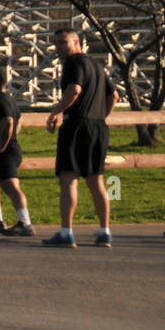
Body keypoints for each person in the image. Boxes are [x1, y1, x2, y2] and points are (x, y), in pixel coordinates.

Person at [43, 30, 118, 248]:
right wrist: (101, 116)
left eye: (63, 42)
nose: (59, 47)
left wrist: (55, 111)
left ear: (76, 42)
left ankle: (66, 233)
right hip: (97, 127)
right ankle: (105, 232)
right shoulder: (96, 65)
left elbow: (73, 90)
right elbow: (113, 95)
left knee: (68, 179)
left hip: (76, 125)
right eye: (56, 43)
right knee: (96, 181)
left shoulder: (73, 63)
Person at [0, 66, 34, 236]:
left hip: (5, 154)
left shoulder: (1, 100)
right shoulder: (6, 99)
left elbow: (8, 121)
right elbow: (20, 119)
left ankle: (25, 223)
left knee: (11, 187)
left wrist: (3, 144)